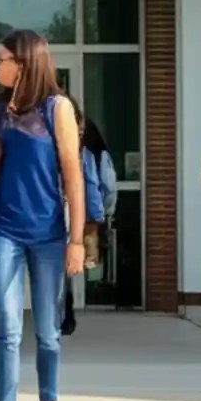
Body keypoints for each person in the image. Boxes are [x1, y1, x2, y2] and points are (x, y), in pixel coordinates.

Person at [0, 29, 86, 401]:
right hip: (5, 233)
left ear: (24, 63)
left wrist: (77, 239)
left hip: (49, 234)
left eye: (3, 59)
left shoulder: (57, 108)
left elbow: (73, 176)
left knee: (48, 333)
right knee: (9, 331)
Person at [60, 105, 119, 336]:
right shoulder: (79, 154)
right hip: (71, 215)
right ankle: (65, 311)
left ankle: (65, 311)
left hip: (83, 216)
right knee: (64, 267)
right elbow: (108, 188)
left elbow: (105, 187)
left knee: (75, 264)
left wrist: (101, 214)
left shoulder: (91, 154)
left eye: (82, 129)